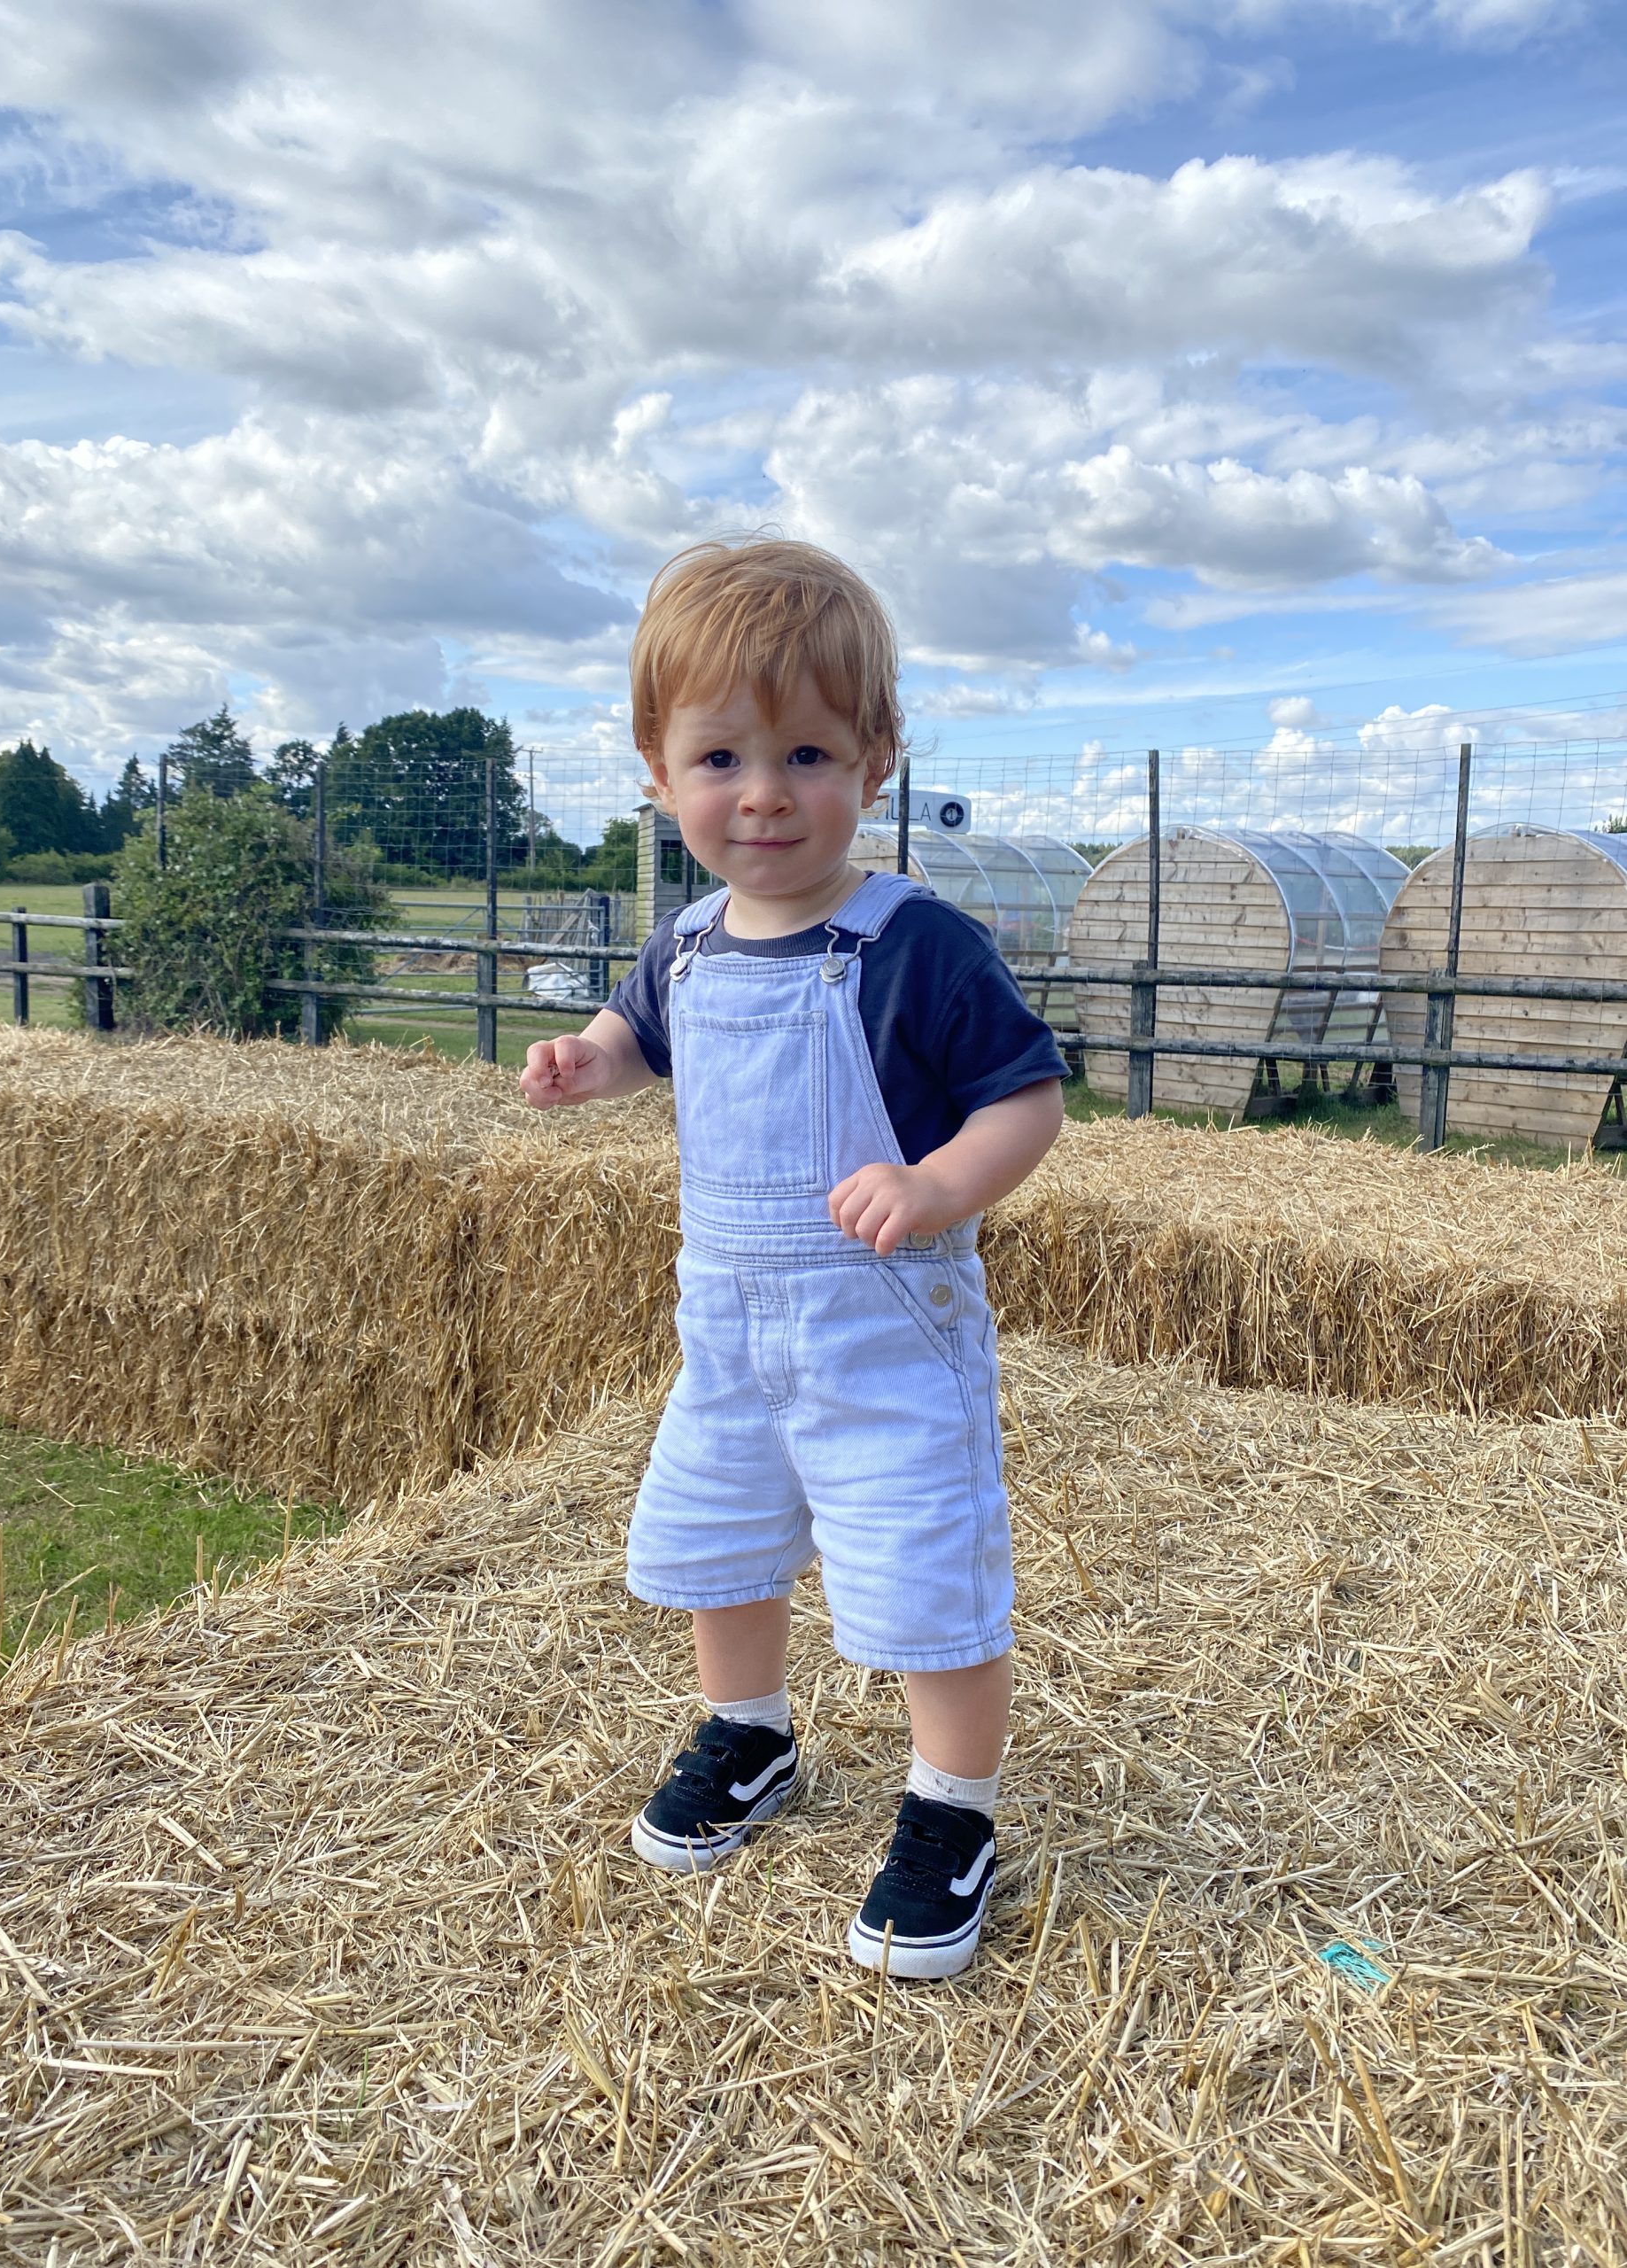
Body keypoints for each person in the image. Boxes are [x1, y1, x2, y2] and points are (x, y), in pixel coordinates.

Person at [520, 538, 1066, 1978]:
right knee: (722, 1543)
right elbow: (647, 1039)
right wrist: (590, 1059)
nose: (761, 792)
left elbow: (1029, 1098)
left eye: (808, 751)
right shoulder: (687, 942)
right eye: (719, 758)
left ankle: (954, 1813)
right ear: (657, 769)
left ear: (876, 761)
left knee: (924, 1581)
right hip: (731, 1339)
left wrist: (938, 1184)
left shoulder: (914, 944)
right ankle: (751, 1736)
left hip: (884, 1340)